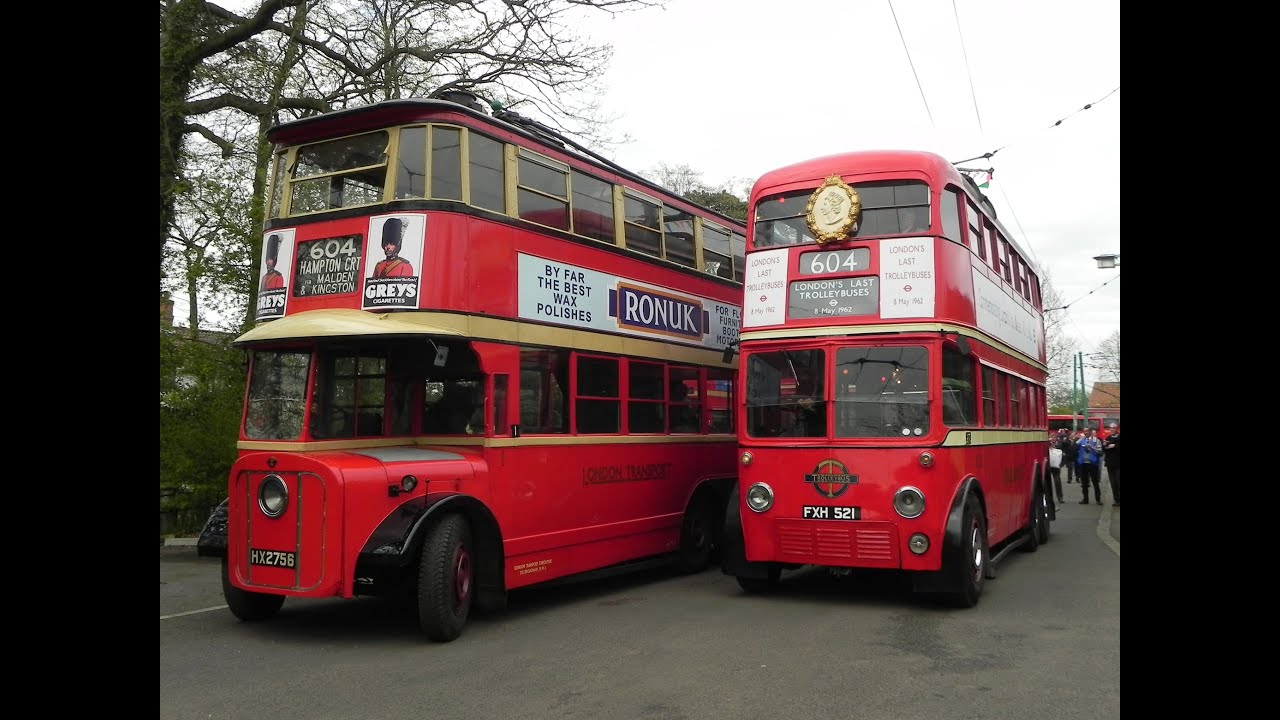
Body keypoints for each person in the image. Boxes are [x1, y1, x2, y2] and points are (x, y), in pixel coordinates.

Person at [1076, 427, 1104, 505]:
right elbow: (1075, 445)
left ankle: (1098, 499)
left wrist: (1092, 448)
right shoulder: (1082, 440)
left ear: (1090, 432)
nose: (1085, 433)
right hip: (1083, 463)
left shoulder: (1096, 440)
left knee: (1095, 482)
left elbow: (1100, 451)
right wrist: (1079, 439)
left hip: (1093, 463)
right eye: (1084, 431)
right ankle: (1085, 499)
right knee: (1084, 482)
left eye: (1087, 431)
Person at [1103, 422, 1121, 507]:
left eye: (1113, 428)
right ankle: (1116, 500)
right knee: (1113, 483)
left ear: (1116, 429)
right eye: (1110, 428)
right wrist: (1105, 446)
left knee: (1118, 481)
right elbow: (1105, 450)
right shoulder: (1108, 437)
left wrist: (1114, 446)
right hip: (1110, 463)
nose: (1112, 429)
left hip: (1118, 463)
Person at [1047, 438, 1065, 504]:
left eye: (1054, 438)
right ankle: (1048, 497)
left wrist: (1061, 464)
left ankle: (1060, 497)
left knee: (1057, 481)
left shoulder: (1059, 445)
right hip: (1048, 465)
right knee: (1048, 482)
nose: (1052, 441)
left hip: (1056, 466)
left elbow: (1062, 453)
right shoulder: (1046, 445)